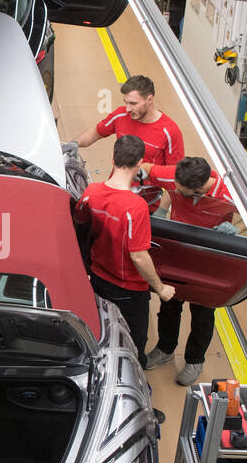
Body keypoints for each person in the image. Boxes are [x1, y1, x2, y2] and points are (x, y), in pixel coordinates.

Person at [74, 135, 177, 377]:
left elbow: (79, 223)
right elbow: (139, 255)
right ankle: (135, 391)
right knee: (133, 344)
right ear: (139, 163)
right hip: (130, 290)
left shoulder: (92, 193)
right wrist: (161, 288)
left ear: (113, 158)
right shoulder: (136, 206)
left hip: (98, 279)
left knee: (103, 332)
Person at [140, 156, 241, 385]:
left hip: (208, 259)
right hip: (178, 251)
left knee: (203, 314)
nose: (176, 190)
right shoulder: (176, 176)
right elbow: (145, 170)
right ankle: (165, 349)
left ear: (197, 189)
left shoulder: (227, 192)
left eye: (181, 191)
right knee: (168, 305)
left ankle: (194, 360)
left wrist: (234, 228)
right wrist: (162, 210)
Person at [65, 73, 185, 214]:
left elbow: (176, 176)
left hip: (145, 204)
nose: (127, 108)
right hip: (114, 195)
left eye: (133, 103)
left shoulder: (170, 132)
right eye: (126, 102)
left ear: (149, 99)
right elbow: (96, 132)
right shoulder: (121, 115)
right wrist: (76, 143)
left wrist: (162, 210)